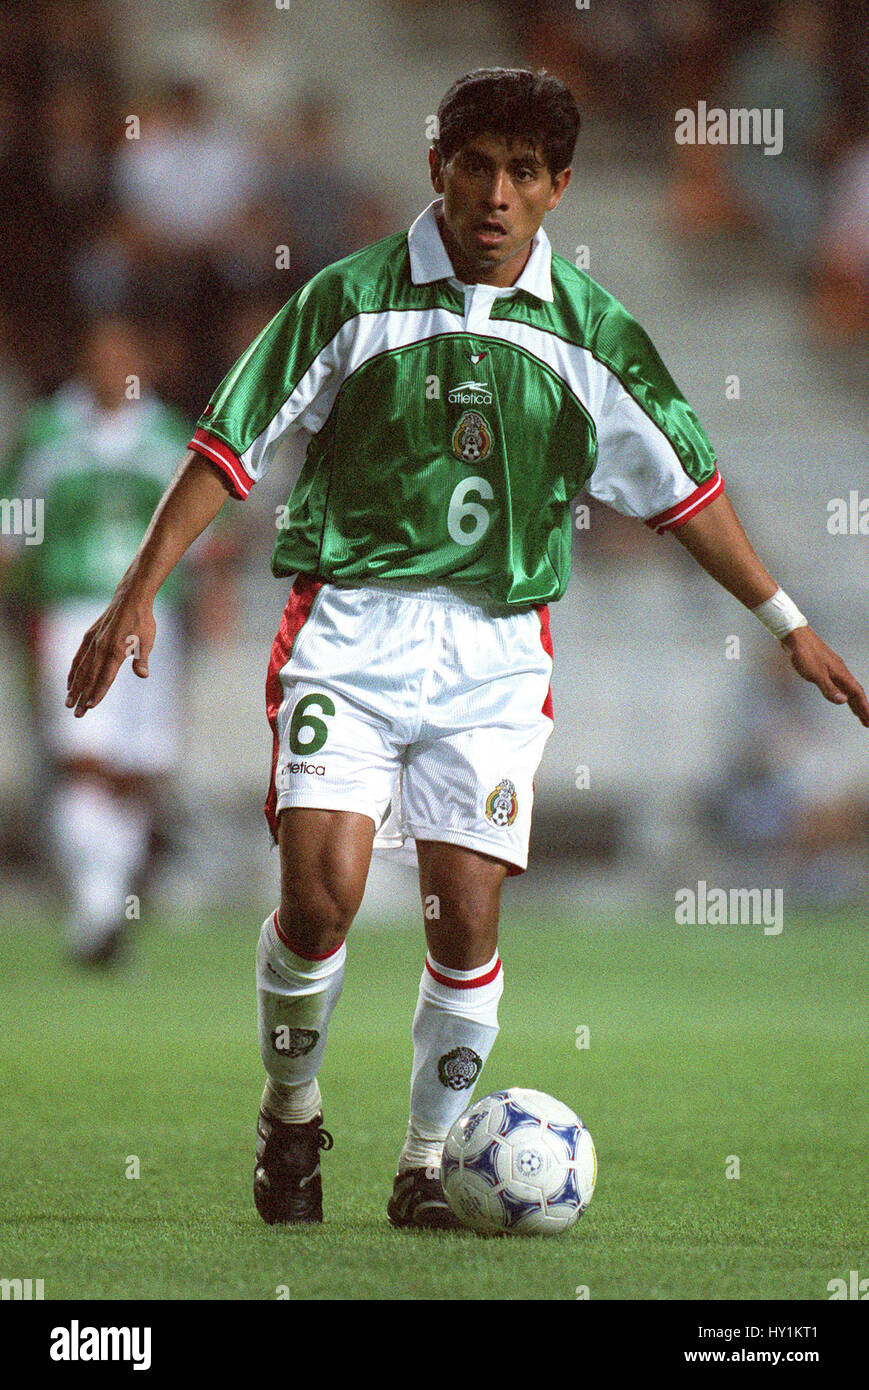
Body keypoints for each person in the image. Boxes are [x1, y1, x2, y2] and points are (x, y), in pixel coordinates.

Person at [65, 69, 868, 1227]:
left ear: (558, 190)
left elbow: (684, 491)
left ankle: (424, 1164)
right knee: (321, 898)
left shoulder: (591, 334)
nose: (497, 193)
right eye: (477, 165)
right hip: (348, 627)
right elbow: (227, 442)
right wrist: (139, 588)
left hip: (493, 656)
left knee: (465, 920)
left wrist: (786, 623)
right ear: (437, 166)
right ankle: (290, 1115)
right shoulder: (347, 298)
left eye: (524, 173)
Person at [4, 315, 192, 963]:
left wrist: (211, 587)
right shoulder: (51, 431)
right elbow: (16, 517)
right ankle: (100, 908)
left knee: (137, 768)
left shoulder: (167, 435)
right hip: (70, 608)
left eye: (124, 355)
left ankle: (100, 911)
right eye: (100, 355)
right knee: (81, 757)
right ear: (83, 363)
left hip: (151, 615)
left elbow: (201, 523)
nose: (112, 367)